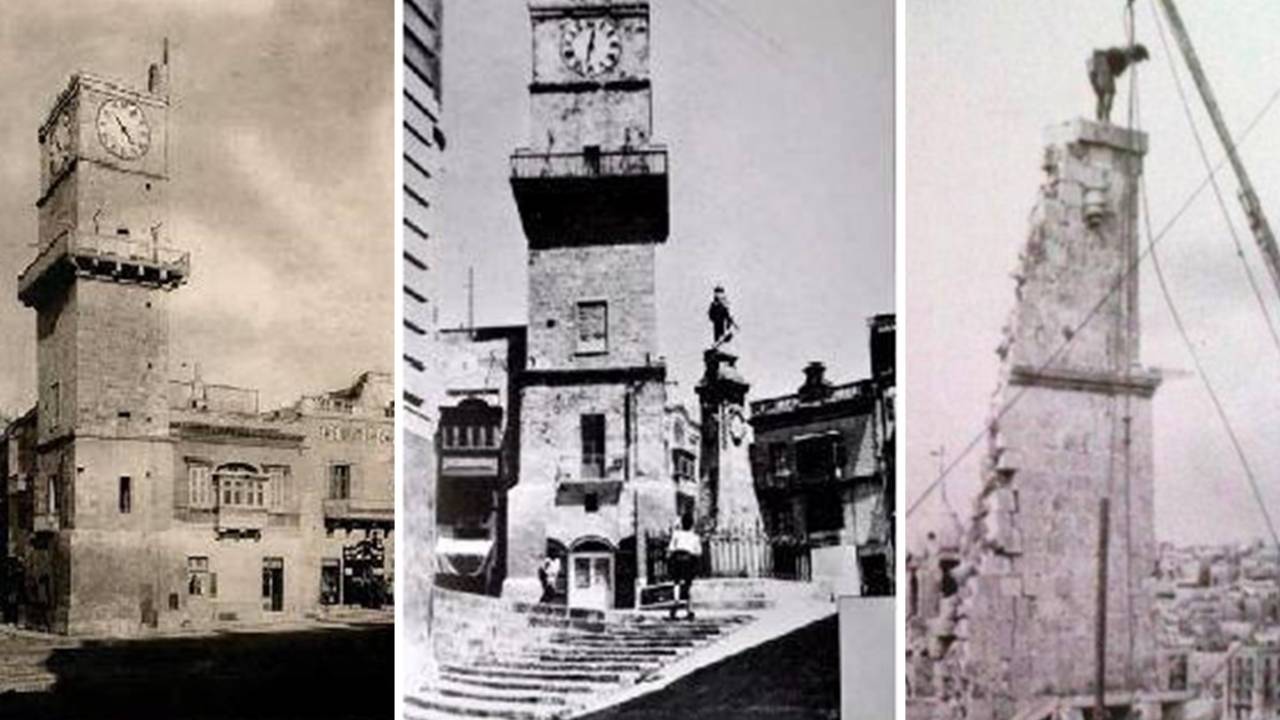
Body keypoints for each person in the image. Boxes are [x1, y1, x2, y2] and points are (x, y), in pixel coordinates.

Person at [666, 513, 702, 620]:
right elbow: (698, 552)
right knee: (688, 584)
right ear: (692, 525)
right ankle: (689, 609)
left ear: (682, 523)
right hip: (688, 560)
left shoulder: (676, 534)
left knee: (676, 582)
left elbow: (671, 548)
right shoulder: (695, 537)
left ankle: (676, 601)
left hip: (677, 559)